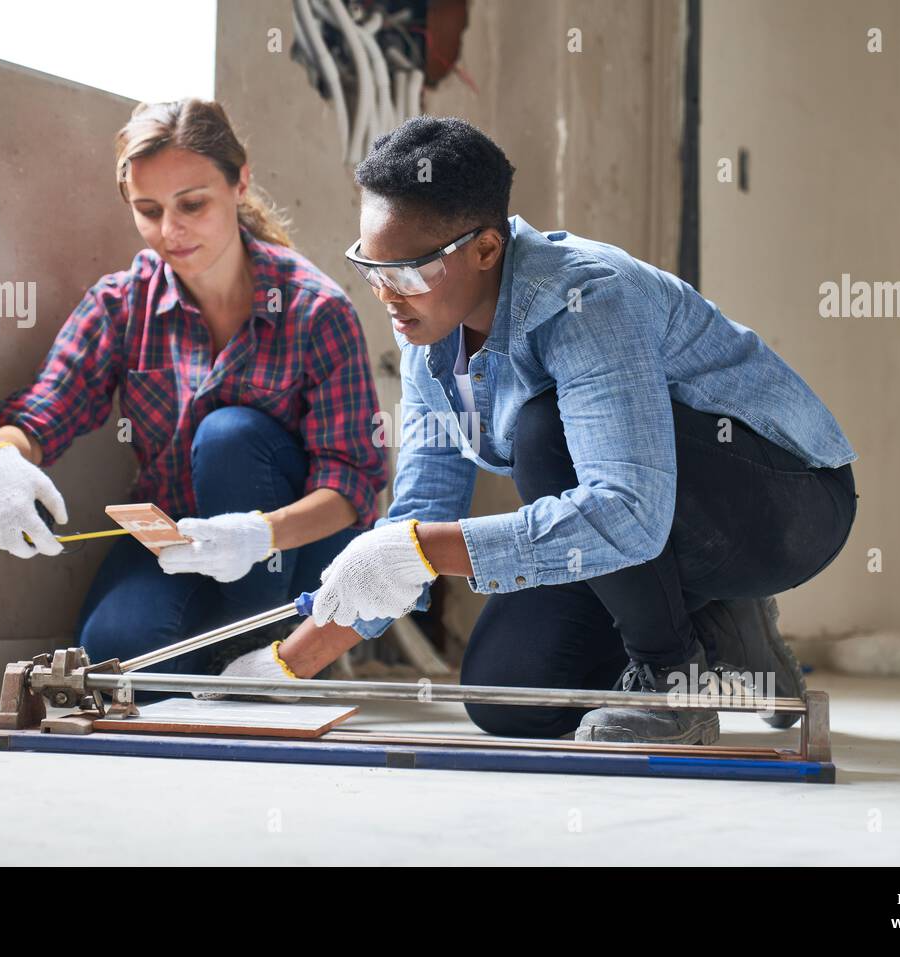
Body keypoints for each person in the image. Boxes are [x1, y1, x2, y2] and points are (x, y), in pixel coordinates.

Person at [242, 115, 858, 746]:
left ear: (485, 249)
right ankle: (725, 634)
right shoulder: (426, 339)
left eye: (407, 272)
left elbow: (628, 511)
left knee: (546, 430)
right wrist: (287, 663)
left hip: (781, 507)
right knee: (508, 695)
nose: (386, 295)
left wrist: (422, 547)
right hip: (656, 527)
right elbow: (417, 521)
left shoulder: (585, 298)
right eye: (371, 268)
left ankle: (672, 683)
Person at [0, 99, 386, 678]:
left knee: (229, 435)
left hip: (290, 548)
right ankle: (216, 653)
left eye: (192, 204)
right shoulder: (122, 303)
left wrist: (257, 533)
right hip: (177, 538)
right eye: (148, 210)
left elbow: (354, 486)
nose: (170, 231)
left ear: (240, 183)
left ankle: (273, 633)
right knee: (115, 660)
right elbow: (43, 412)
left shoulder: (315, 310)